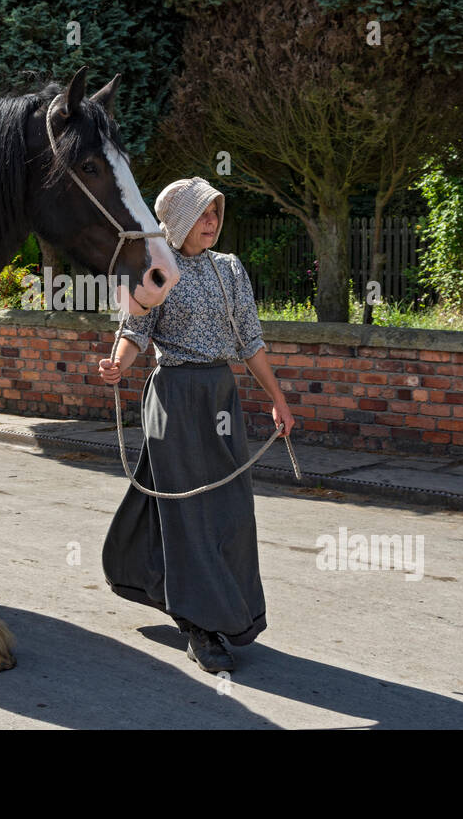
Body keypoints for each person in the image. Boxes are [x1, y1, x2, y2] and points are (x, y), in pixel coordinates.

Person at [97, 176, 293, 675]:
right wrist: (117, 363)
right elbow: (136, 332)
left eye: (216, 213)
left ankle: (180, 590)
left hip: (220, 396)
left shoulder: (230, 269)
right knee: (188, 513)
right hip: (175, 397)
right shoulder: (158, 271)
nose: (213, 223)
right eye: (203, 214)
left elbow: (250, 341)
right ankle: (200, 626)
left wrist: (278, 400)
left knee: (229, 508)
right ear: (179, 220)